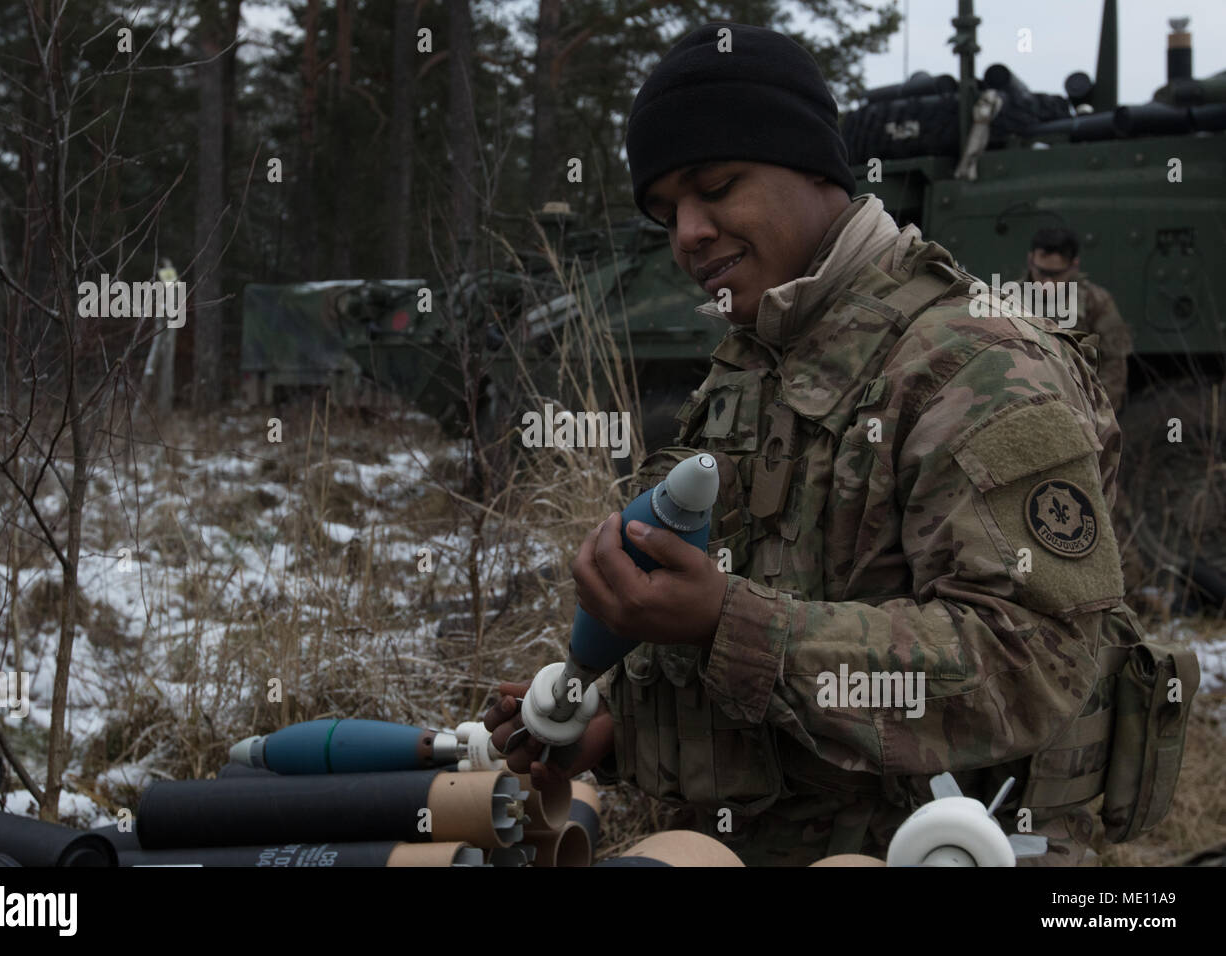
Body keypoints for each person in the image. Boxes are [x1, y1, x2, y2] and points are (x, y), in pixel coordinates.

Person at [485, 22, 1132, 866]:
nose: (687, 232)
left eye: (715, 186)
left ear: (816, 167)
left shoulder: (975, 364)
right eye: (665, 212)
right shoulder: (754, 357)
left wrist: (730, 625)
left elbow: (1035, 661)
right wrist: (612, 728)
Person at [1025, 226, 1133, 411]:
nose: (1047, 283)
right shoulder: (1008, 301)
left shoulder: (1096, 302)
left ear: (1074, 265)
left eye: (1056, 275)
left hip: (1081, 408)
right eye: (1042, 273)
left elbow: (1114, 365)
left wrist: (1099, 415)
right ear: (1030, 261)